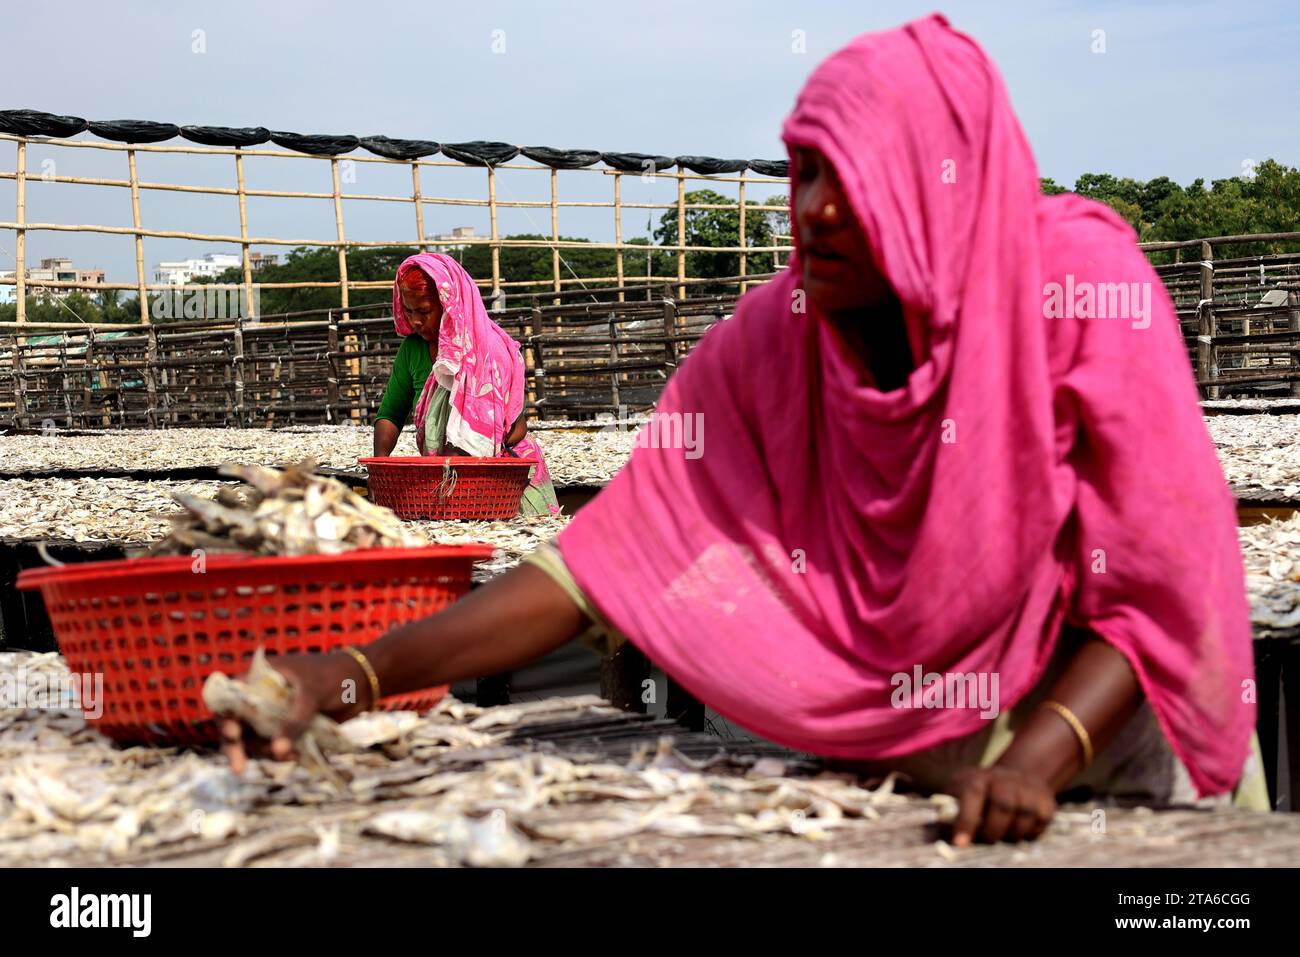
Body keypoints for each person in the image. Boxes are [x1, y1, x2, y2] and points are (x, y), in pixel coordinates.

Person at [222, 15, 1265, 844]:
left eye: (848, 179)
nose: (808, 210)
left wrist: (1034, 763)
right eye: (800, 171)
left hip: (1112, 751)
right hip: (921, 774)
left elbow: (1154, 585)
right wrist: (352, 673)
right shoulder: (777, 343)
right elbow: (608, 561)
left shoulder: (1076, 295)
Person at [372, 252, 559, 516]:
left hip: (503, 478)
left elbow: (516, 426)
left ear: (449, 305)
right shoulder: (412, 350)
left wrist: (469, 456)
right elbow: (391, 413)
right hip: (443, 478)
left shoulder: (487, 348)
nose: (415, 321)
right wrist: (380, 468)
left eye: (424, 311)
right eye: (408, 311)